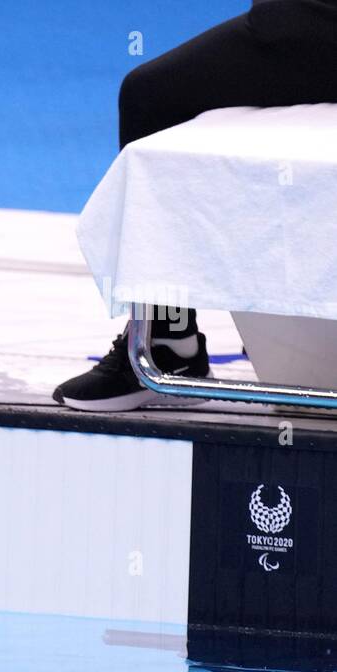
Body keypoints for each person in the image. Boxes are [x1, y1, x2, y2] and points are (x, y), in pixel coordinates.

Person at [54, 0, 337, 411]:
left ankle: (170, 344)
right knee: (149, 94)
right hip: (299, 22)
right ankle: (169, 341)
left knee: (150, 95)